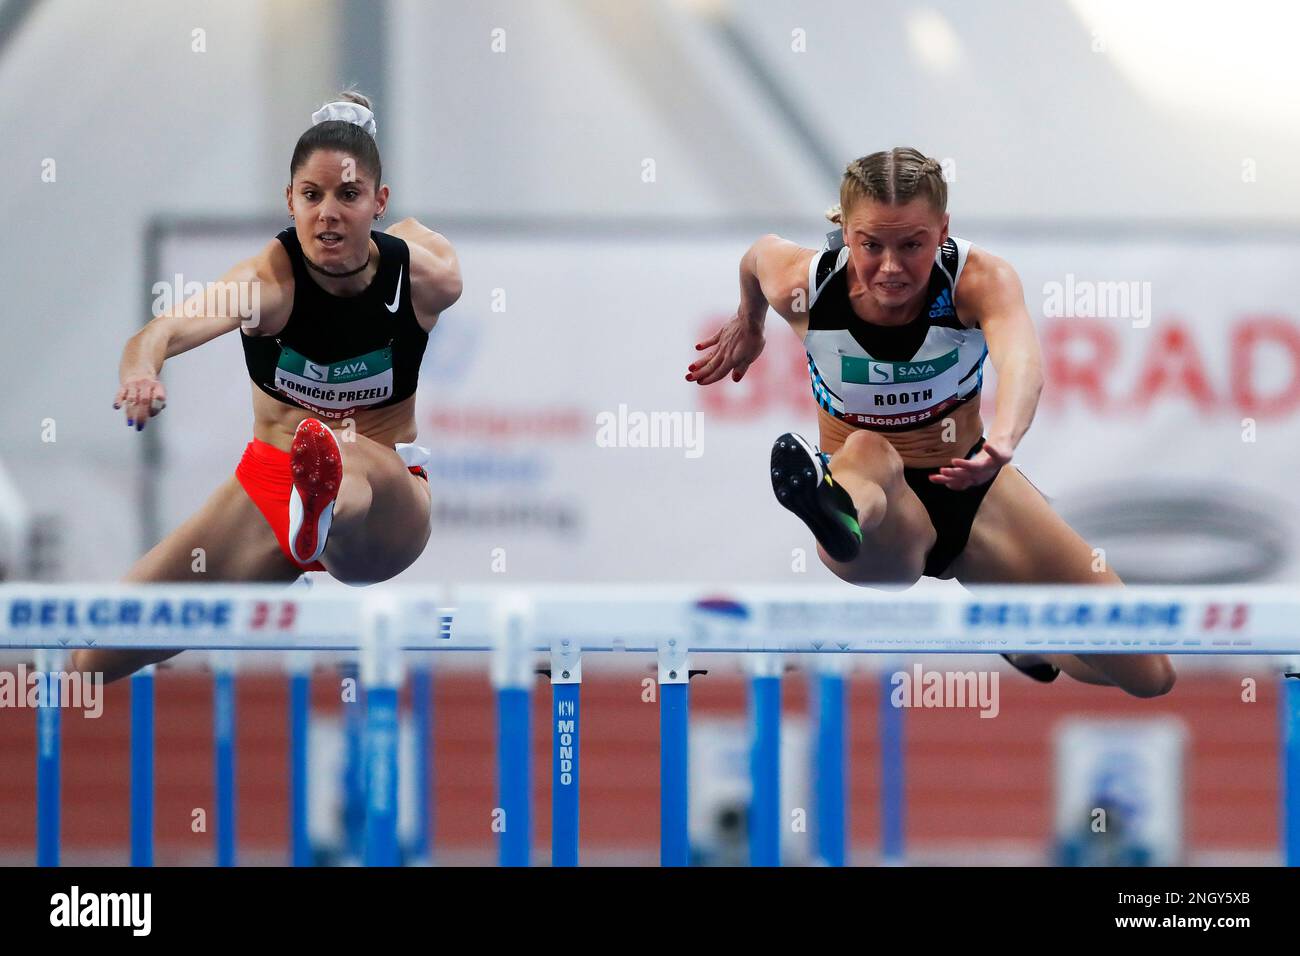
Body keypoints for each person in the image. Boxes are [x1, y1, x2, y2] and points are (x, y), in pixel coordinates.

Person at [687, 147, 1174, 697]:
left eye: (913, 245)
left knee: (1150, 675)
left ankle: (1034, 638)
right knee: (872, 451)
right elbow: (756, 255)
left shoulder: (978, 280)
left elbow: (1022, 361)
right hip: (881, 519)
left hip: (975, 484)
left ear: (943, 229)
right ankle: (833, 509)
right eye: (872, 245)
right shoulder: (804, 284)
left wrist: (1005, 441)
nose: (891, 267)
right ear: (845, 231)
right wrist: (749, 322)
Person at [75, 91, 462, 683]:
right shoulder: (263, 286)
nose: (327, 213)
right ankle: (309, 503)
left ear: (379, 203)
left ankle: (324, 503)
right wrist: (140, 372)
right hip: (270, 482)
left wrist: (356, 124)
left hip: (385, 498)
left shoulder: (423, 277)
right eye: (311, 196)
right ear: (289, 201)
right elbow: (166, 329)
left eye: (348, 196)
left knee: (339, 452)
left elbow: (439, 262)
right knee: (95, 654)